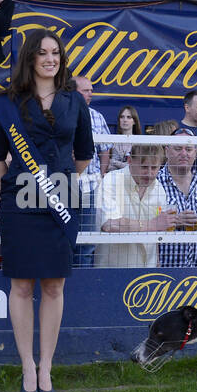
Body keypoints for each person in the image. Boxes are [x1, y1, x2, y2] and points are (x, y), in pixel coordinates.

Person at [0, 28, 94, 392]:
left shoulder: (75, 101)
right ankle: (26, 366)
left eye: (56, 53)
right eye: (44, 53)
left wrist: (58, 182)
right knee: (20, 284)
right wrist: (15, 184)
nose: (51, 59)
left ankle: (46, 365)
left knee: (54, 284)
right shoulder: (8, 102)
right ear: (30, 57)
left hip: (60, 198)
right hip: (19, 202)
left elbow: (84, 154)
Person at [154, 121, 197, 267]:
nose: (184, 154)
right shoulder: (155, 182)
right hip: (162, 274)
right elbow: (145, 226)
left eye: (188, 149)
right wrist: (175, 220)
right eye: (178, 148)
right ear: (166, 151)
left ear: (195, 153)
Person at [97, 143, 168, 267]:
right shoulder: (112, 181)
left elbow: (156, 232)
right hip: (113, 272)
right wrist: (152, 224)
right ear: (129, 160)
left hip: (148, 273)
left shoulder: (159, 188)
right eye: (144, 167)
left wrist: (157, 265)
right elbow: (109, 225)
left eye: (154, 168)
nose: (150, 173)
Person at [72, 75, 111, 266]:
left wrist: (101, 175)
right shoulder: (60, 114)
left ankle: (82, 279)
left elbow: (105, 150)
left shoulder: (97, 116)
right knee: (64, 235)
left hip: (90, 184)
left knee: (87, 237)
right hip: (64, 183)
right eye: (85, 90)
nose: (90, 94)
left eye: (91, 90)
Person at [109, 105, 141, 171]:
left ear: (134, 121)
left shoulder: (139, 143)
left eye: (129, 117)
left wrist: (114, 162)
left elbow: (135, 166)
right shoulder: (112, 142)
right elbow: (109, 167)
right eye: (122, 117)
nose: (125, 120)